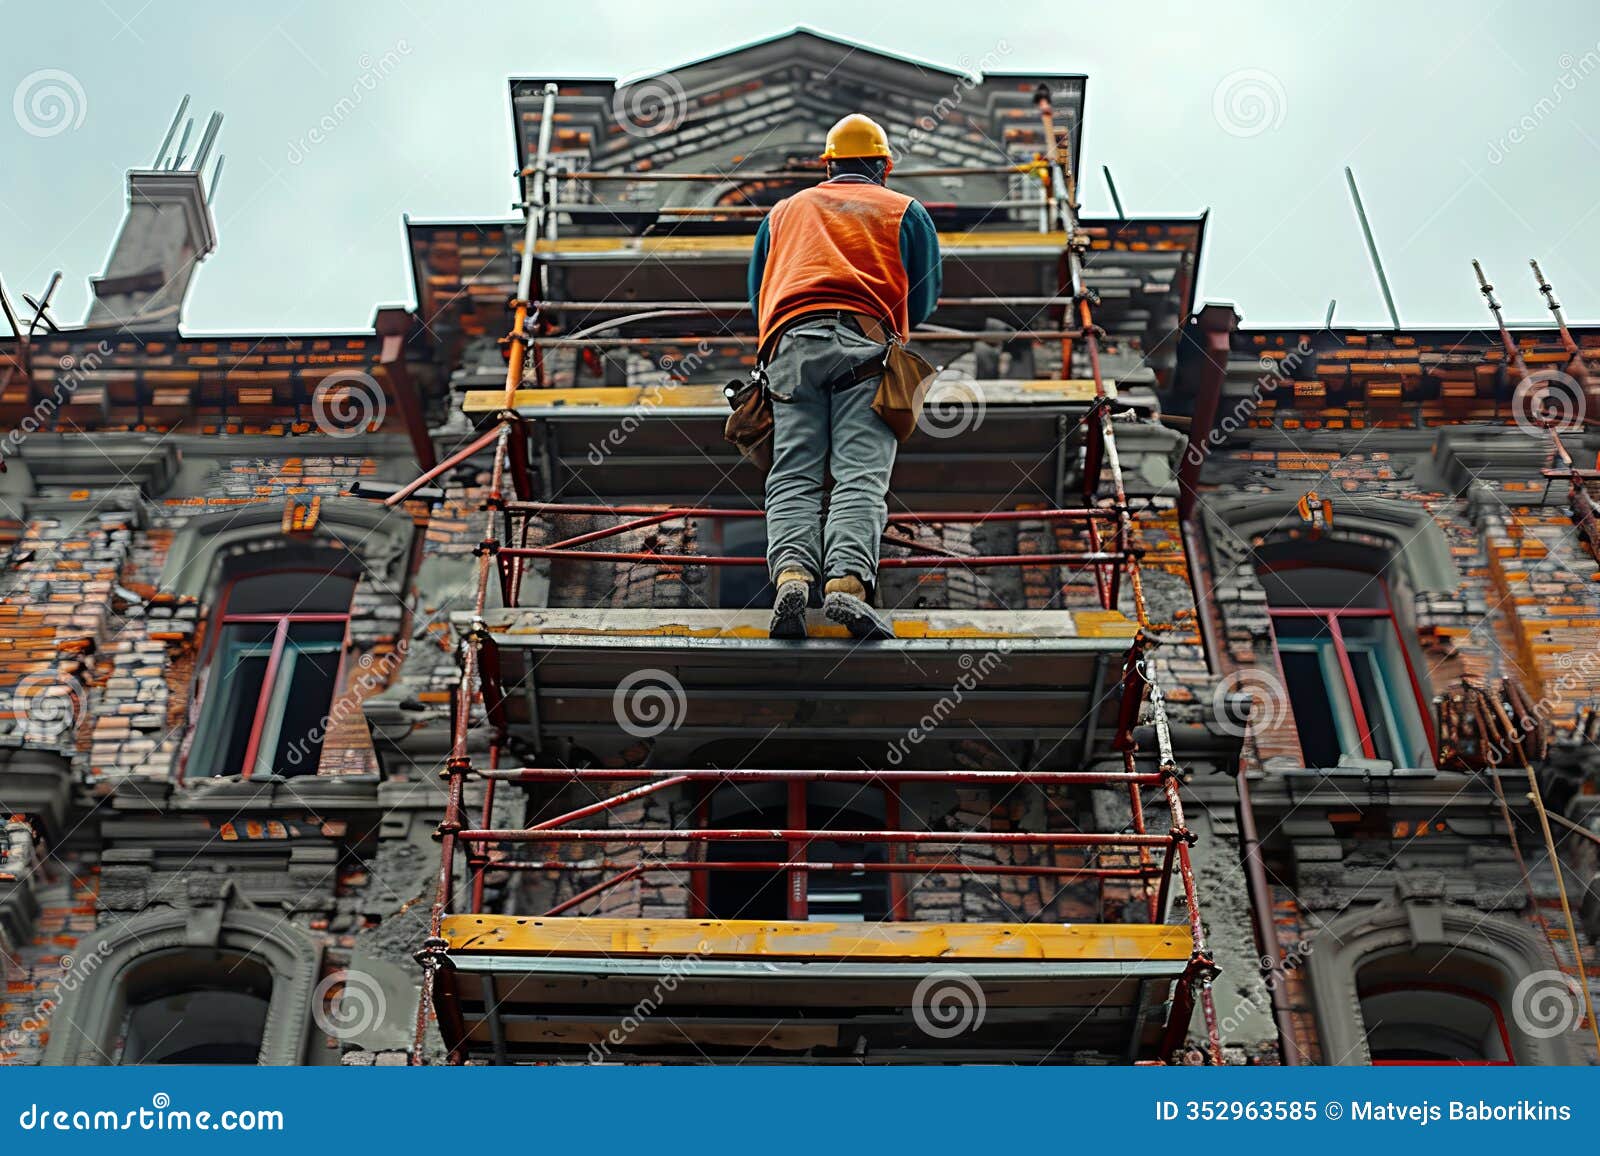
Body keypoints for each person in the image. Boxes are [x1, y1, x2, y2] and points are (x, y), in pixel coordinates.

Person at [748, 113, 942, 640]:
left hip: (789, 347)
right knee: (860, 473)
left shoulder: (784, 212)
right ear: (885, 166)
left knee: (792, 473)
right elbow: (923, 295)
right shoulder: (904, 209)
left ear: (827, 164)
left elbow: (758, 292)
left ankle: (791, 575)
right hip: (864, 345)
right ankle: (846, 585)